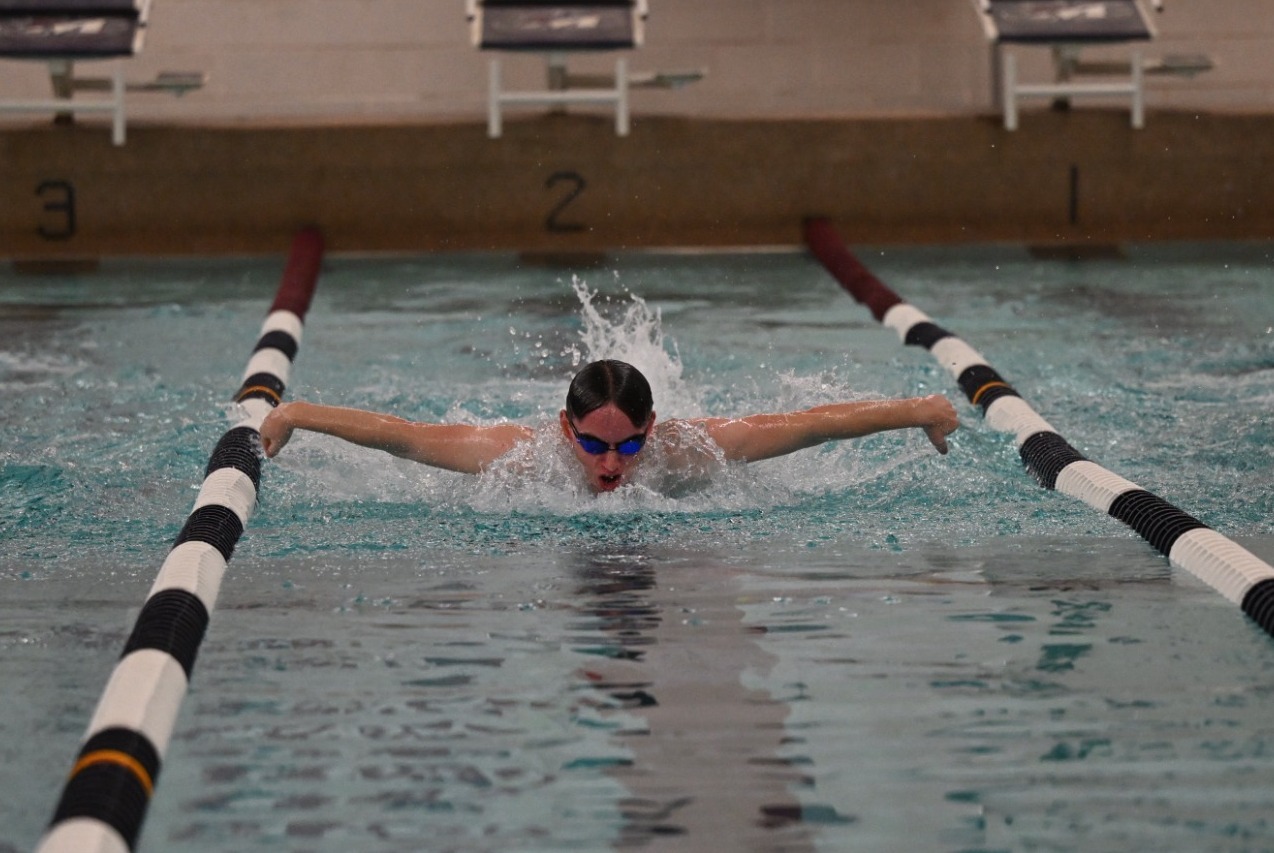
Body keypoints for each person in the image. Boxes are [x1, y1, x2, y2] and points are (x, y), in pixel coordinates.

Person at [258, 359, 959, 494]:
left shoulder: (689, 452)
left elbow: (811, 427)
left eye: (628, 444)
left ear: (653, 428)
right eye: (594, 443)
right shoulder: (523, 458)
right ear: (567, 430)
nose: (612, 463)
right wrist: (297, 413)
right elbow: (405, 435)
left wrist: (920, 409)